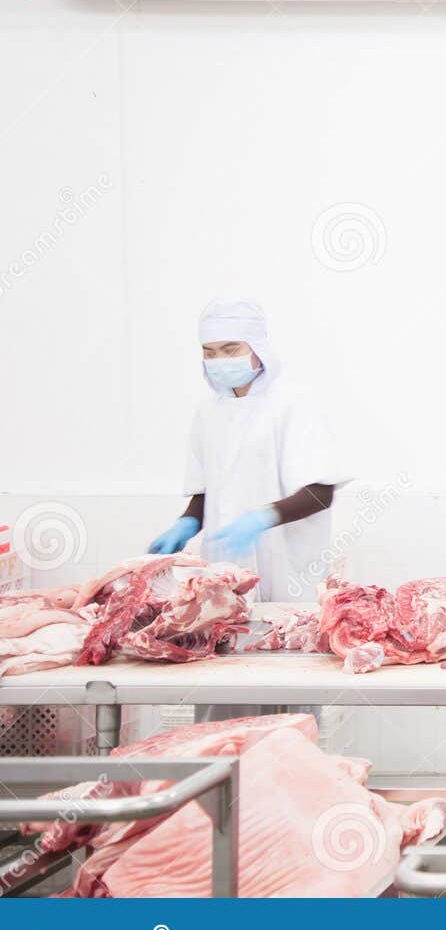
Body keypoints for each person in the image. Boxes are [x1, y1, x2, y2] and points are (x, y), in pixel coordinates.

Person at [147, 298, 342, 720]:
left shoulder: (294, 404)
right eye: (209, 352)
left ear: (258, 348)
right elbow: (204, 491)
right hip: (225, 575)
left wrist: (261, 518)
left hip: (289, 571)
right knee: (222, 697)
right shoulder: (207, 412)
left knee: (287, 698)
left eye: (231, 349)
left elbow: (321, 491)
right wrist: (185, 522)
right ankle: (224, 782)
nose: (220, 361)